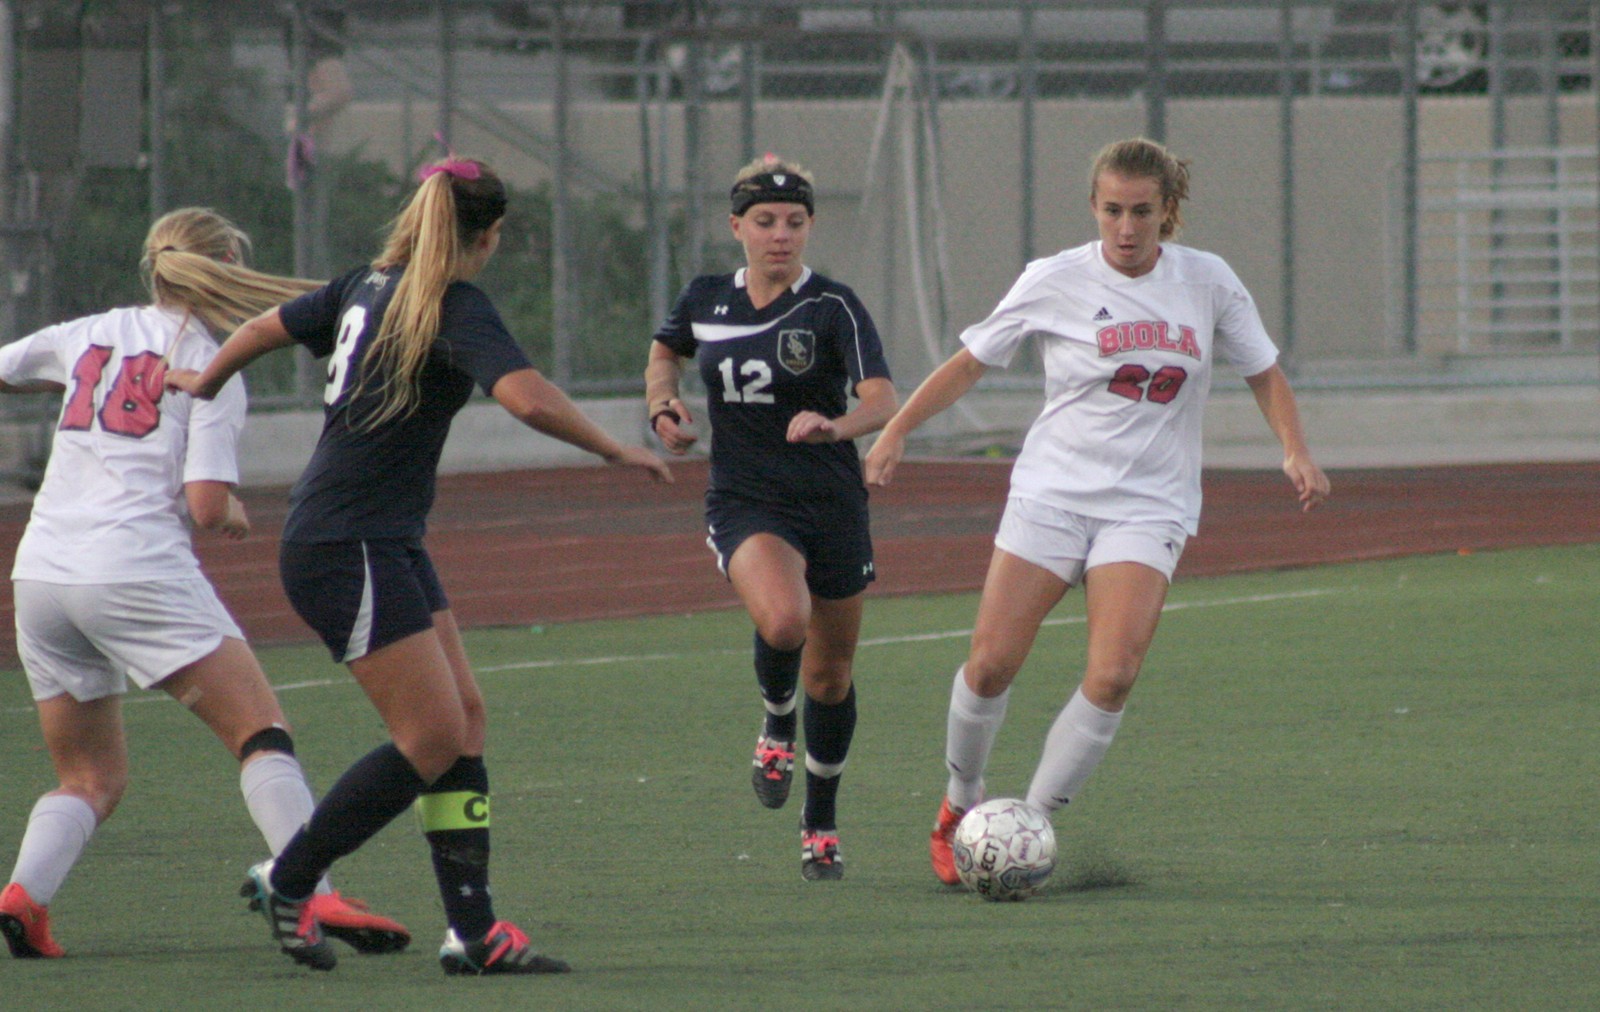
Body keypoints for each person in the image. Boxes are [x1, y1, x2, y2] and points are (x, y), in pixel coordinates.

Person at [167, 155, 672, 974]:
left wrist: (204, 381)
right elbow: (525, 396)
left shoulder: (364, 285)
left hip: (376, 536)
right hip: (348, 543)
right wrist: (614, 447)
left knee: (462, 719)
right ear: (490, 234)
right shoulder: (450, 302)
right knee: (431, 735)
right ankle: (290, 879)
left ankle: (474, 934)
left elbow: (260, 330)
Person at [863, 137, 1331, 885]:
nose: (1126, 227)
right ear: (1093, 207)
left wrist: (1295, 451)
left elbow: (1264, 372)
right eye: (1112, 210)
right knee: (990, 664)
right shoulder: (1055, 279)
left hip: (1149, 506)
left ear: (1167, 210)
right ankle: (959, 802)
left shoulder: (1208, 280)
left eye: (1142, 211)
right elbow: (972, 362)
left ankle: (1027, 827)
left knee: (1113, 675)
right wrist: (897, 430)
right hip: (1053, 494)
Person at [0, 208, 408, 960]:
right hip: (134, 569)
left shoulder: (88, 332)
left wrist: (70, 389)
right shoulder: (209, 365)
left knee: (88, 775)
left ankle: (24, 897)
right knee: (261, 733)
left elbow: (7, 368)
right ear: (223, 268)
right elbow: (207, 506)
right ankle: (312, 893)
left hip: (41, 575)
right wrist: (238, 515)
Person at [645, 154, 898, 881]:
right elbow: (664, 352)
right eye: (764, 222)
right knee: (785, 622)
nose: (780, 234)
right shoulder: (705, 299)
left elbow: (881, 399)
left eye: (793, 221)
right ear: (737, 227)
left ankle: (820, 823)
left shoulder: (833, 306)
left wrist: (835, 426)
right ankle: (776, 719)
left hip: (832, 504)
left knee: (832, 677)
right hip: (747, 499)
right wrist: (662, 402)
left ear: (809, 227)